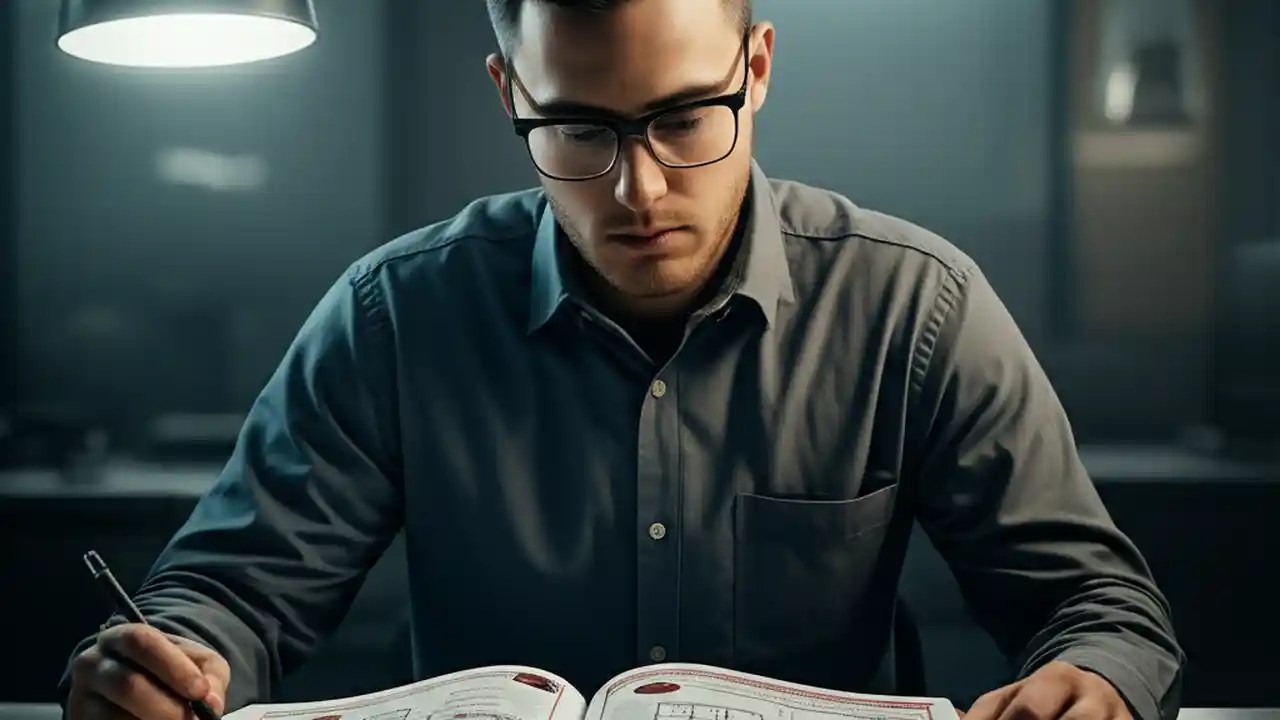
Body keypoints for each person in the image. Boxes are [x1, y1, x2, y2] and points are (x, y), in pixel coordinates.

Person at [60, 1, 1185, 719]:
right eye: (578, 131)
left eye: (687, 117)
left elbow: (1100, 611)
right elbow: (229, 596)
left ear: (756, 66)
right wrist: (171, 664)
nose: (637, 191)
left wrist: (1094, 685)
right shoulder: (395, 315)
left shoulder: (913, 305)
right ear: (511, 95)